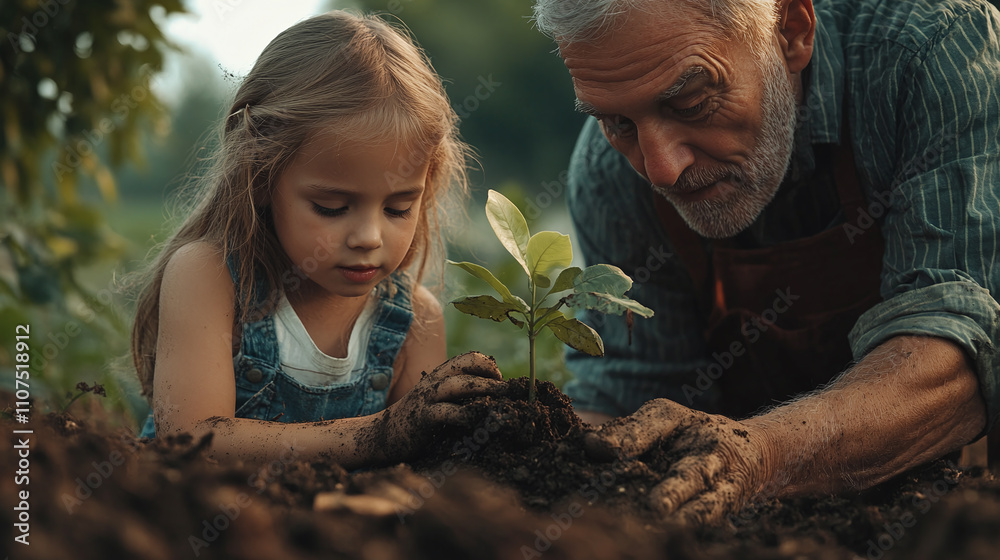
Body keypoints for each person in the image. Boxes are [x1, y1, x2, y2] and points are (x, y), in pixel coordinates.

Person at [532, 0, 1000, 523]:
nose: (661, 170)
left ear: (791, 30)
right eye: (618, 124)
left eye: (690, 103)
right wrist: (510, 434)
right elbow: (631, 399)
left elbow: (958, 353)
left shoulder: (923, 54)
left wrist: (759, 457)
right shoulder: (609, 177)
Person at [129, 11, 502, 467]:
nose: (368, 237)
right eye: (331, 207)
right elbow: (191, 439)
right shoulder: (208, 277)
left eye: (398, 208)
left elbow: (422, 464)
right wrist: (381, 433)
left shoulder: (415, 321)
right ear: (261, 178)